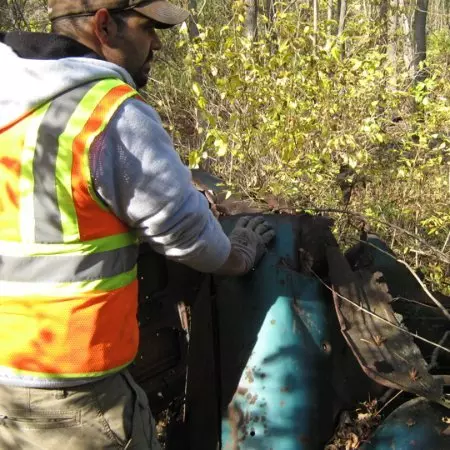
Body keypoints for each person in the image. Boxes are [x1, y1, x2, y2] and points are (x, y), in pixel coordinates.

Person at [0, 1, 275, 448]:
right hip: (75, 400)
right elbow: (187, 233)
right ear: (104, 24)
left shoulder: (11, 96)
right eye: (148, 28)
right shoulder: (108, 112)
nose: (157, 43)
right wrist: (239, 255)